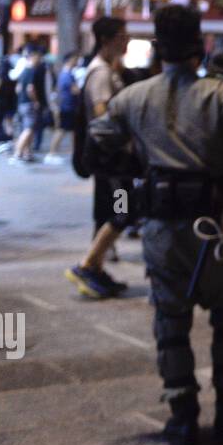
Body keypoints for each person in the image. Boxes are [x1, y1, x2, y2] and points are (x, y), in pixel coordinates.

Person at [90, 4, 223, 445]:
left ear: (159, 48)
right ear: (201, 44)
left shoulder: (132, 97)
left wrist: (139, 164)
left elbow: (98, 140)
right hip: (214, 231)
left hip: (161, 228)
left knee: (171, 320)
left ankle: (182, 416)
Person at [66, 17, 132, 298]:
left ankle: (96, 269)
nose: (126, 40)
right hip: (112, 156)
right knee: (123, 210)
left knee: (108, 212)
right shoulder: (102, 73)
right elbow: (103, 112)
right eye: (122, 35)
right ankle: (87, 266)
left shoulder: (105, 69)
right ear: (107, 39)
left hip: (108, 156)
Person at [12, 46, 49, 163]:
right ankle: (17, 154)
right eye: (38, 56)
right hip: (29, 104)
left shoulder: (24, 71)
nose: (39, 59)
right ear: (33, 57)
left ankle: (27, 153)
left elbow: (18, 88)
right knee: (29, 129)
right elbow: (30, 88)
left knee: (26, 129)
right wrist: (36, 101)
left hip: (22, 103)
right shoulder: (32, 70)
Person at [45, 52, 80, 164]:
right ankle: (51, 153)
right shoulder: (67, 75)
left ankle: (74, 152)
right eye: (75, 59)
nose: (77, 62)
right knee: (61, 130)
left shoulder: (66, 74)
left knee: (69, 130)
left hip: (68, 106)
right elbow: (75, 90)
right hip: (67, 107)